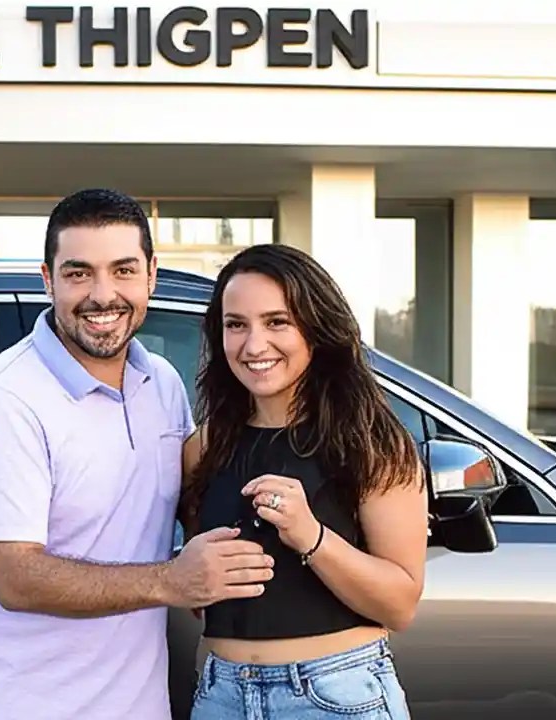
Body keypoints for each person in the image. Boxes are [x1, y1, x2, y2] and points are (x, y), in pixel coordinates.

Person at [0, 188, 276, 720]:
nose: (103, 295)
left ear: (151, 274)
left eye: (123, 270)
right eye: (79, 273)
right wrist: (173, 580)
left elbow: (186, 494)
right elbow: (14, 576)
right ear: (47, 279)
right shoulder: (5, 401)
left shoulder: (161, 382)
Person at [178, 243, 428, 719]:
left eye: (277, 322)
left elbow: (400, 605)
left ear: (315, 328)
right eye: (236, 325)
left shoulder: (371, 444)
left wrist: (311, 537)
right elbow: (199, 590)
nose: (254, 346)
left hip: (334, 694)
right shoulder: (203, 447)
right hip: (222, 694)